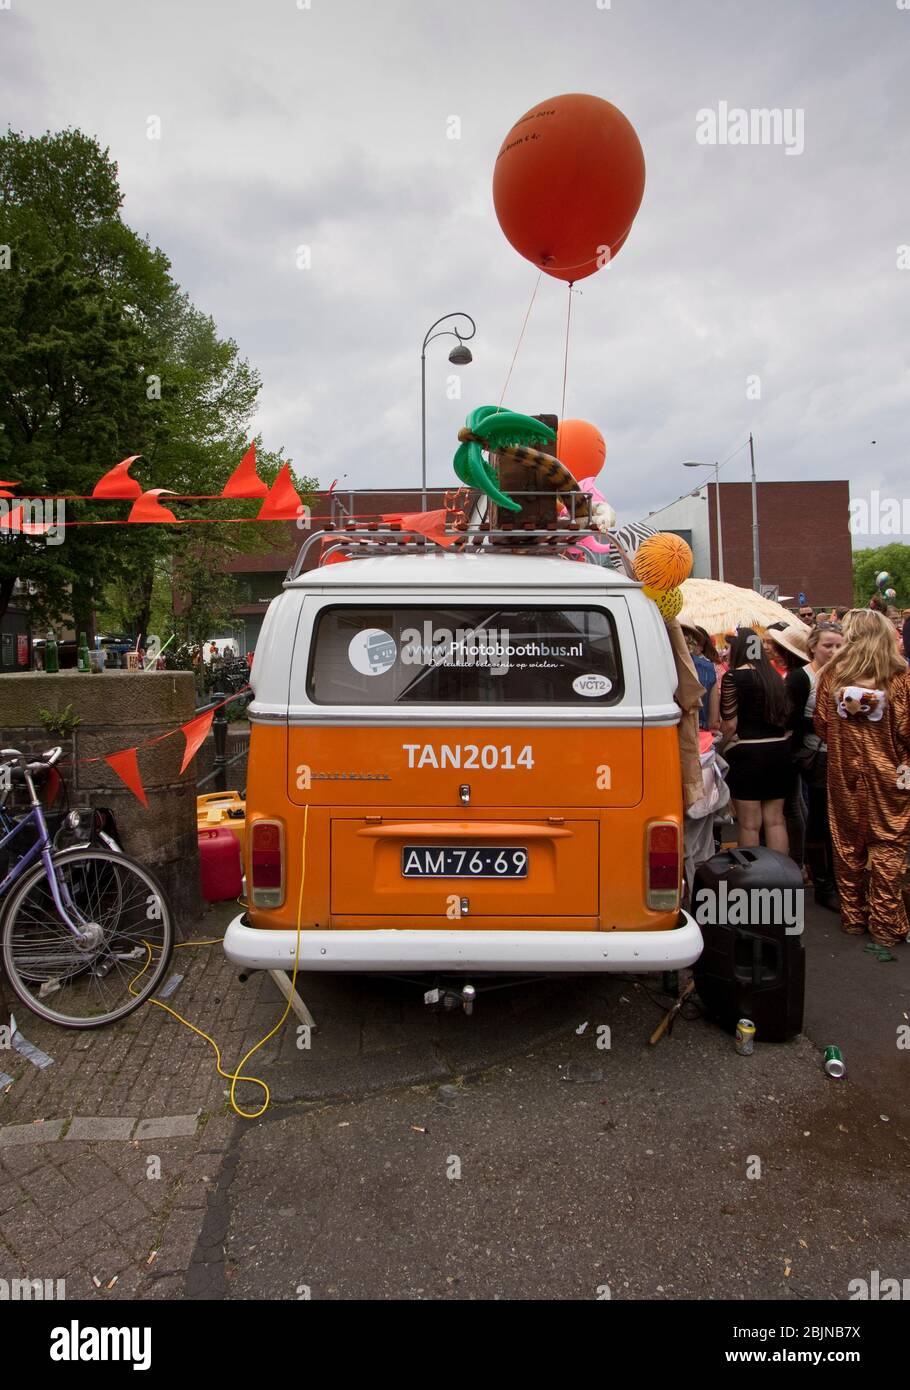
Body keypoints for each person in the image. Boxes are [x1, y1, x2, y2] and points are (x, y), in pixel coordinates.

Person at [814, 609, 910, 951]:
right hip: (891, 776)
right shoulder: (898, 677)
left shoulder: (832, 675)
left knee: (847, 844)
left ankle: (854, 917)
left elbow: (822, 724)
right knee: (889, 845)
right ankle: (885, 924)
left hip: (845, 773)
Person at [786, 621, 844, 911]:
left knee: (840, 819)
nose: (834, 651)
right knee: (820, 816)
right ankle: (823, 882)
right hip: (815, 756)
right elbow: (790, 719)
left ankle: (838, 878)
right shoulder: (801, 678)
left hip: (843, 755)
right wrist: (823, 722)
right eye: (828, 645)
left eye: (838, 645)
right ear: (812, 647)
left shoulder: (847, 675)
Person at [720, 628, 794, 853]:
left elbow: (730, 723)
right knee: (776, 820)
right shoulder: (774, 677)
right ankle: (780, 877)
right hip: (779, 751)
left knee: (750, 824)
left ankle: (752, 879)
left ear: (740, 648)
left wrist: (721, 749)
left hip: (747, 753)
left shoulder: (733, 677)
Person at [682, 625, 720, 731]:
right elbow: (713, 721)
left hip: (667, 735)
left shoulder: (660, 667)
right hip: (700, 736)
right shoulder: (708, 668)